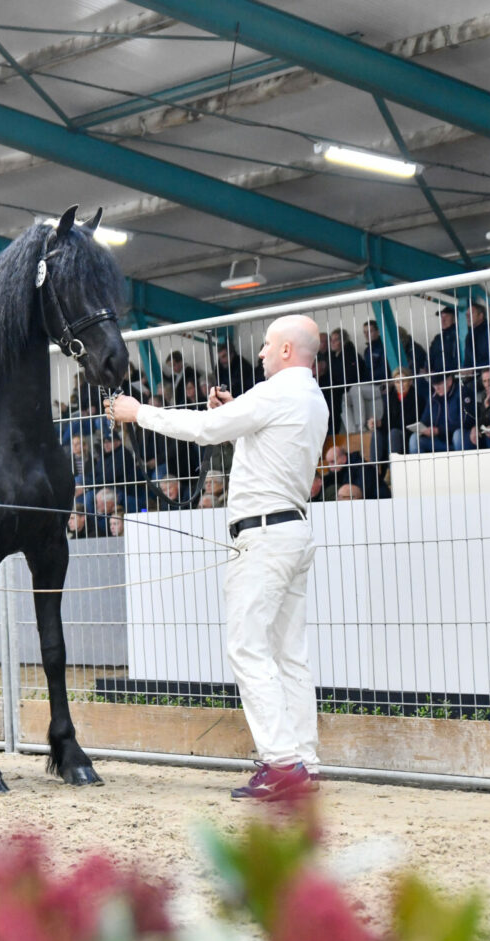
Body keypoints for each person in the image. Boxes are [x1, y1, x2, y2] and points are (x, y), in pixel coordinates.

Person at [108, 314, 329, 801]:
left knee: (248, 648)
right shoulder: (312, 397)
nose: (264, 354)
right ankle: (302, 760)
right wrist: (238, 415)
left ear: (289, 351)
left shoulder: (276, 392)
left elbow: (206, 428)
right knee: (290, 654)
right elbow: (261, 441)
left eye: (269, 346)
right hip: (291, 530)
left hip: (265, 536)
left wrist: (139, 412)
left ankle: (281, 762)